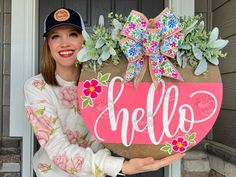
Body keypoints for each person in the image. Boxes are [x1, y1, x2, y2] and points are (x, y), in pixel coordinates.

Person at [24, 7, 185, 177]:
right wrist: (123, 166)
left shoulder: (104, 80)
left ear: (84, 40)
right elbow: (57, 149)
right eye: (55, 36)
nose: (65, 43)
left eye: (73, 34)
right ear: (48, 45)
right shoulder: (36, 87)